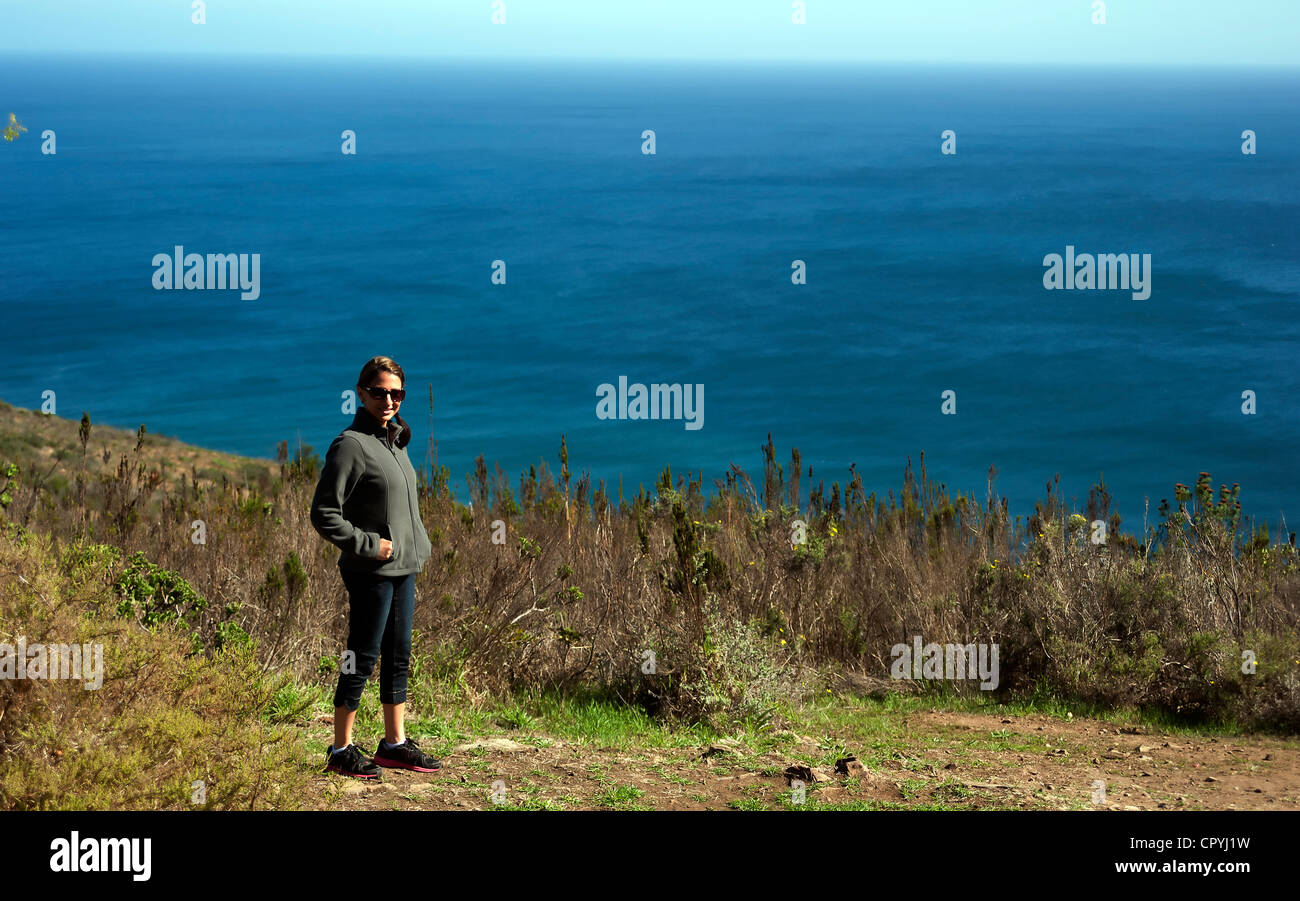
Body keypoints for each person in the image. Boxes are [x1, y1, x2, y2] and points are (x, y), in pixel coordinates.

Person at [309, 355, 441, 778]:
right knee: (360, 657)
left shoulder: (394, 439)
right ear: (361, 392)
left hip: (404, 566)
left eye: (397, 393)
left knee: (398, 655)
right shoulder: (351, 445)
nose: (389, 400)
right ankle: (340, 749)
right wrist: (368, 544)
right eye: (380, 392)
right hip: (371, 570)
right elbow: (324, 513)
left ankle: (393, 743)